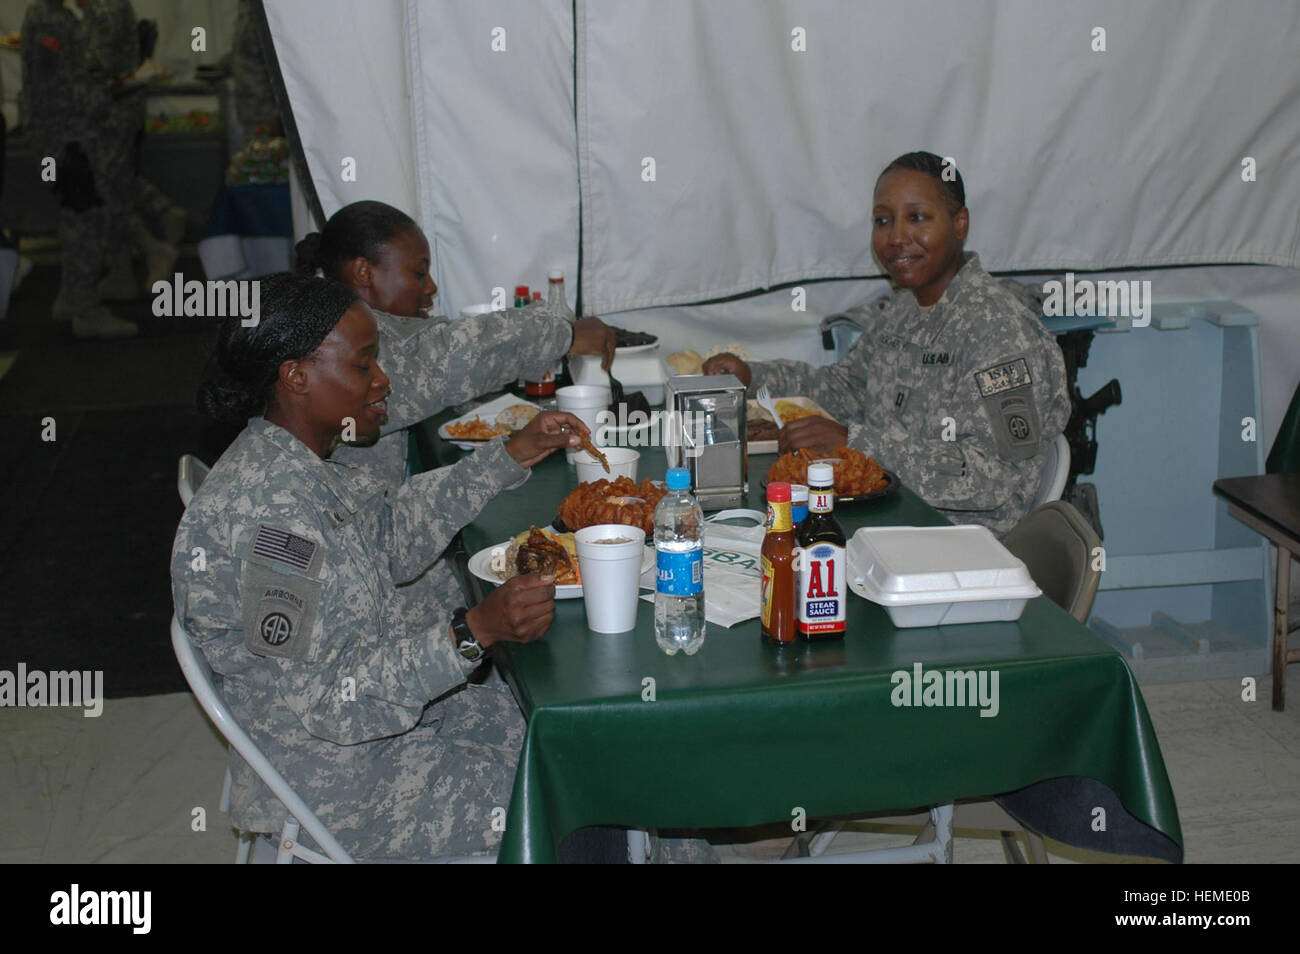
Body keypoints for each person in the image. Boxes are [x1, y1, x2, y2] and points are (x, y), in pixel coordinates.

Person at [171, 273, 591, 859]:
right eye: (364, 365)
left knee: (578, 740)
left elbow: (389, 537)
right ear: (296, 375)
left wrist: (507, 454)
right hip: (346, 782)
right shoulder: (270, 518)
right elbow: (333, 704)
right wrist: (475, 632)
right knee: (580, 797)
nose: (384, 381)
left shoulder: (298, 461)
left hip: (382, 727)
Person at [705, 152, 1069, 536]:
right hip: (883, 522)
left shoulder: (1002, 333)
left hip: (957, 545)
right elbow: (845, 389)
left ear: (959, 223)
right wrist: (751, 375)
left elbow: (992, 478)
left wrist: (856, 444)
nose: (896, 237)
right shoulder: (905, 310)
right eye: (883, 220)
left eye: (917, 218)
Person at [294, 200, 616, 488]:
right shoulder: (330, 341)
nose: (431, 287)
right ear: (364, 272)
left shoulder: (328, 317)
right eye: (419, 274)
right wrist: (565, 334)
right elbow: (442, 357)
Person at [20, 0, 135, 337]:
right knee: (83, 222)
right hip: (63, 137)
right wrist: (117, 89)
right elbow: (61, 87)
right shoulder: (48, 18)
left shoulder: (63, 14)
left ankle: (71, 297)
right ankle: (85, 308)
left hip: (70, 135)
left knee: (76, 216)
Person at [82, 0, 186, 299]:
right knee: (117, 182)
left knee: (105, 191)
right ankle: (125, 267)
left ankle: (150, 249)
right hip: (114, 111)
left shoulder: (103, 9)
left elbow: (98, 69)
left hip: (109, 114)